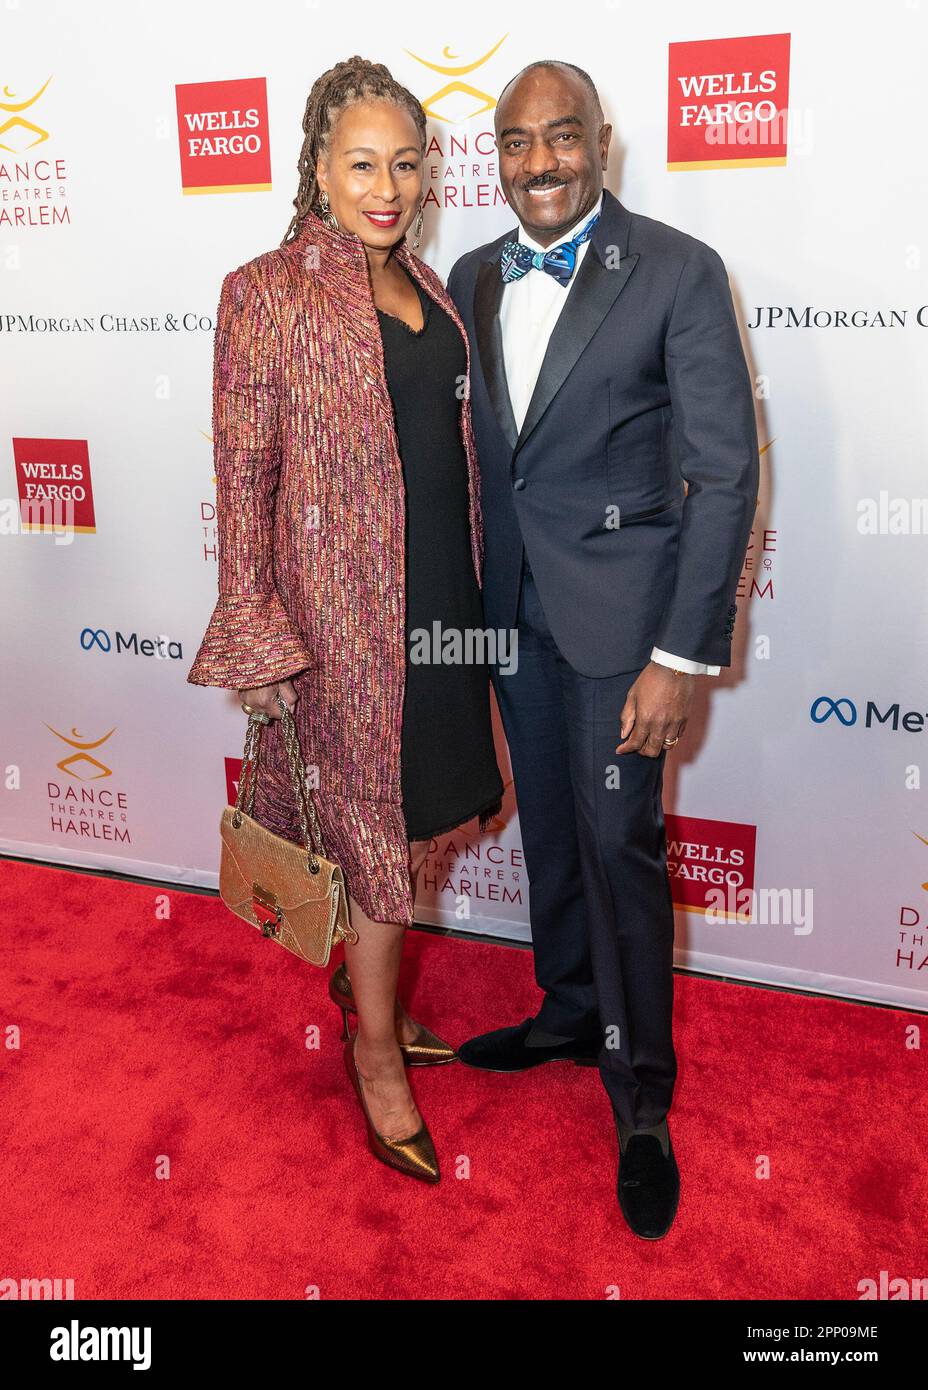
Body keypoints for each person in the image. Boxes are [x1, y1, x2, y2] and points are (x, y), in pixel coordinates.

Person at [447, 60, 758, 1238]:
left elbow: (725, 472)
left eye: (562, 138)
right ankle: (570, 1009)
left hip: (626, 630)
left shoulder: (677, 269)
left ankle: (640, 1095)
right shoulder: (476, 274)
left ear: (603, 143)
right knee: (557, 830)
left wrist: (681, 656)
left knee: (619, 838)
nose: (539, 163)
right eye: (517, 143)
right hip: (513, 611)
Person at [187, 57, 503, 1186]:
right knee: (370, 830)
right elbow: (242, 473)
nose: (387, 185)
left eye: (405, 163)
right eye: (361, 162)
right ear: (317, 167)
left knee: (418, 815)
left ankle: (362, 988)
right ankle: (373, 1053)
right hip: (336, 622)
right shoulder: (263, 290)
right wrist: (257, 630)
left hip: (440, 604)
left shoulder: (432, 287)